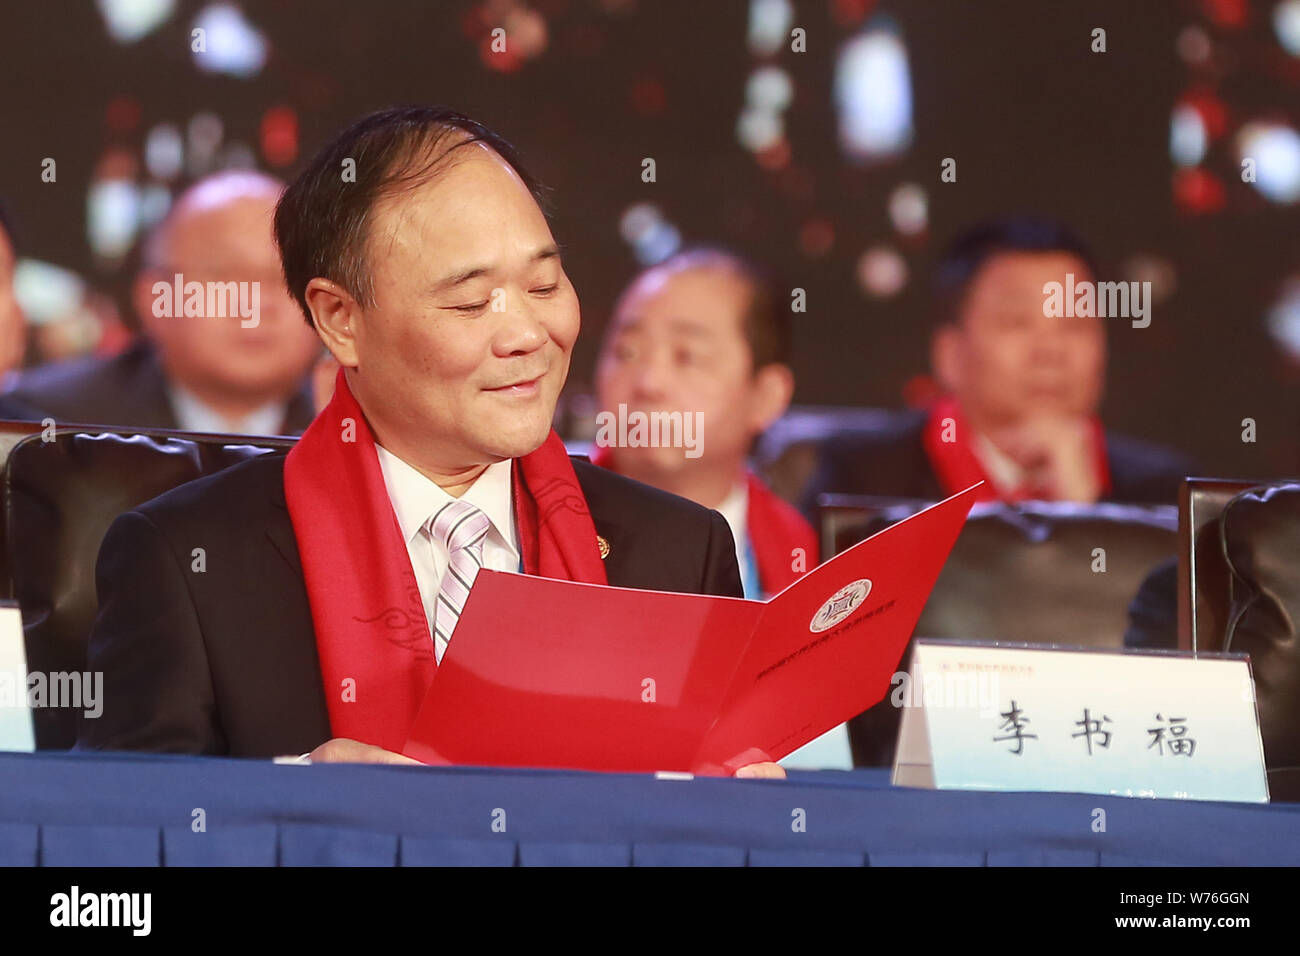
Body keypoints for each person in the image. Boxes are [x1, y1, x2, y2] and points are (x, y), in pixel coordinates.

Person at [78, 106, 783, 778]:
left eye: (544, 283)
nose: (528, 335)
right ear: (339, 319)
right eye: (471, 303)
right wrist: (288, 793)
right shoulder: (187, 561)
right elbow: (109, 833)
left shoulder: (679, 554)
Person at [592, 249, 851, 769]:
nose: (648, 383)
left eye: (687, 356)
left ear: (767, 396)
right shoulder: (531, 525)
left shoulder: (810, 562)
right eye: (626, 351)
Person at [801, 218, 1194, 513]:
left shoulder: (1163, 493)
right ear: (949, 355)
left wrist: (1087, 509)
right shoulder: (864, 481)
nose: (1050, 351)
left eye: (1074, 322)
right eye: (1016, 322)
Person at [6, 172, 320, 434]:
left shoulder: (354, 424)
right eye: (225, 276)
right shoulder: (45, 423)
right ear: (153, 298)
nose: (257, 303)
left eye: (285, 277)